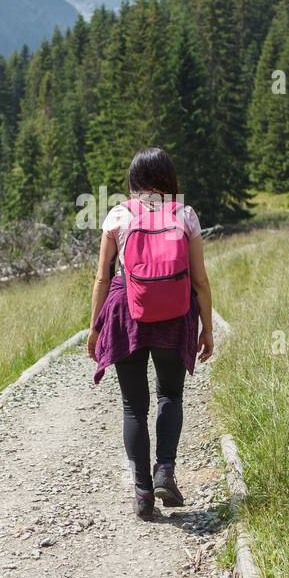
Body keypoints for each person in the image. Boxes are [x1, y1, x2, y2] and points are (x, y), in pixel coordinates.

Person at [87, 147, 214, 521]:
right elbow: (201, 280)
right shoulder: (185, 214)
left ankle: (143, 492)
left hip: (127, 311)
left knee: (133, 406)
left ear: (133, 181)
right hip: (175, 314)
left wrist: (95, 328)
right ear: (169, 180)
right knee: (170, 395)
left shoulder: (118, 214)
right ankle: (165, 471)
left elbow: (101, 278)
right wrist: (207, 328)